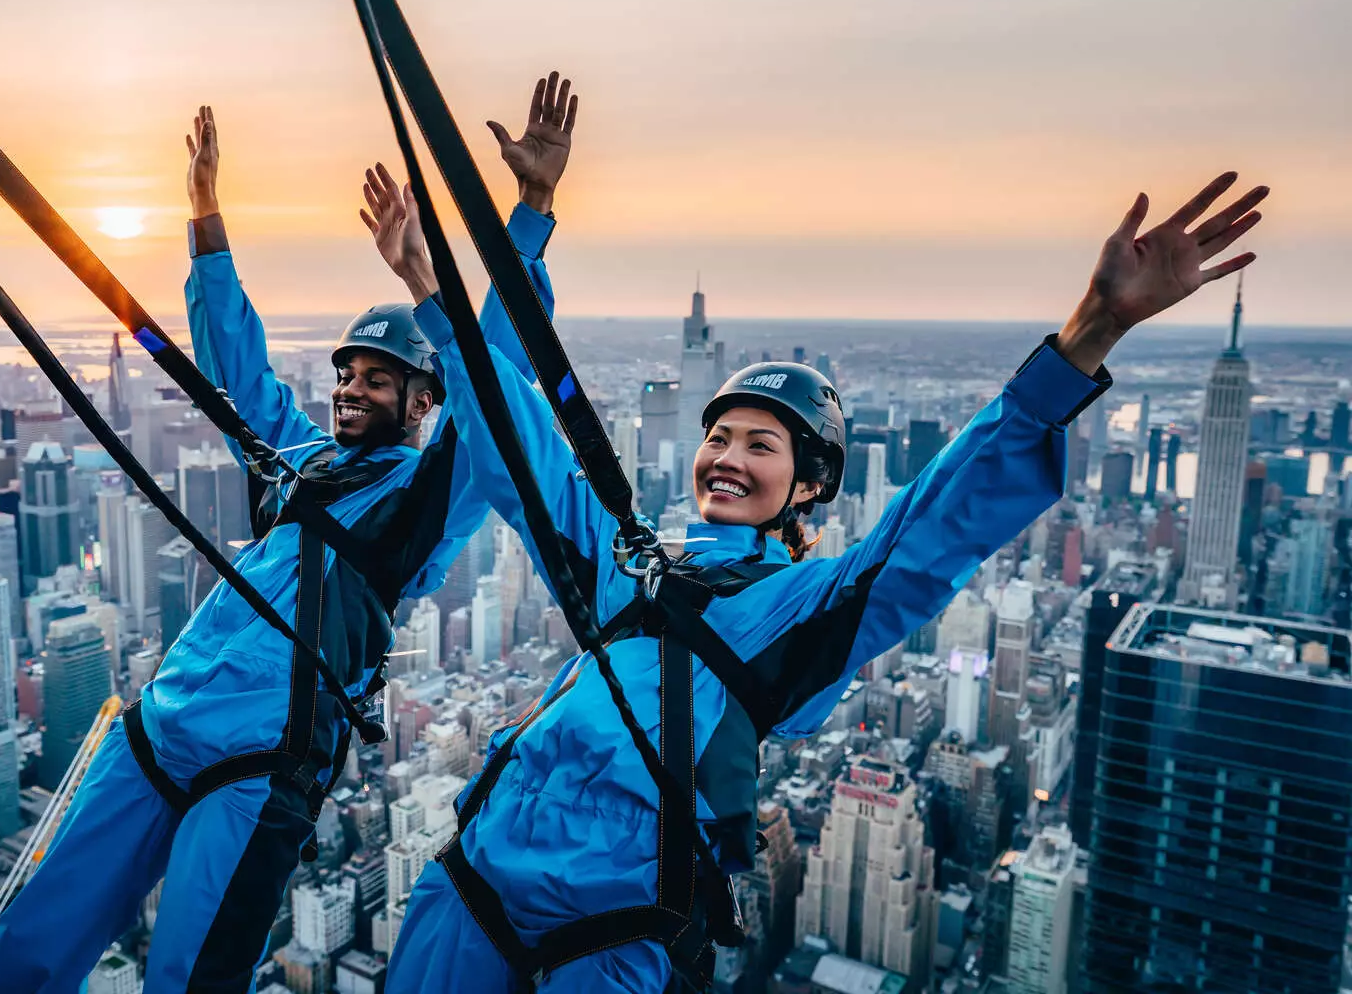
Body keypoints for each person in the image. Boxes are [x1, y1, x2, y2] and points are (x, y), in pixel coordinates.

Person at [365, 168, 1267, 991]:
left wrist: (1092, 330)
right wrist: (429, 293)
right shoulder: (624, 567)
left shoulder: (800, 609)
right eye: (720, 437)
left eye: (763, 445)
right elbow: (516, 436)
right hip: (473, 877)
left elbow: (933, 527)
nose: (727, 456)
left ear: (808, 486)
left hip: (613, 921)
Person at [0, 72, 581, 993]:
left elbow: (492, 374)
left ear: (426, 400)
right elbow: (236, 367)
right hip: (160, 722)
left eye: (377, 378)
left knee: (185, 980)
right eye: (345, 372)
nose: (350, 387)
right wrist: (206, 219)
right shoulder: (296, 462)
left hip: (260, 761)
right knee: (29, 949)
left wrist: (530, 209)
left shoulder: (425, 495)